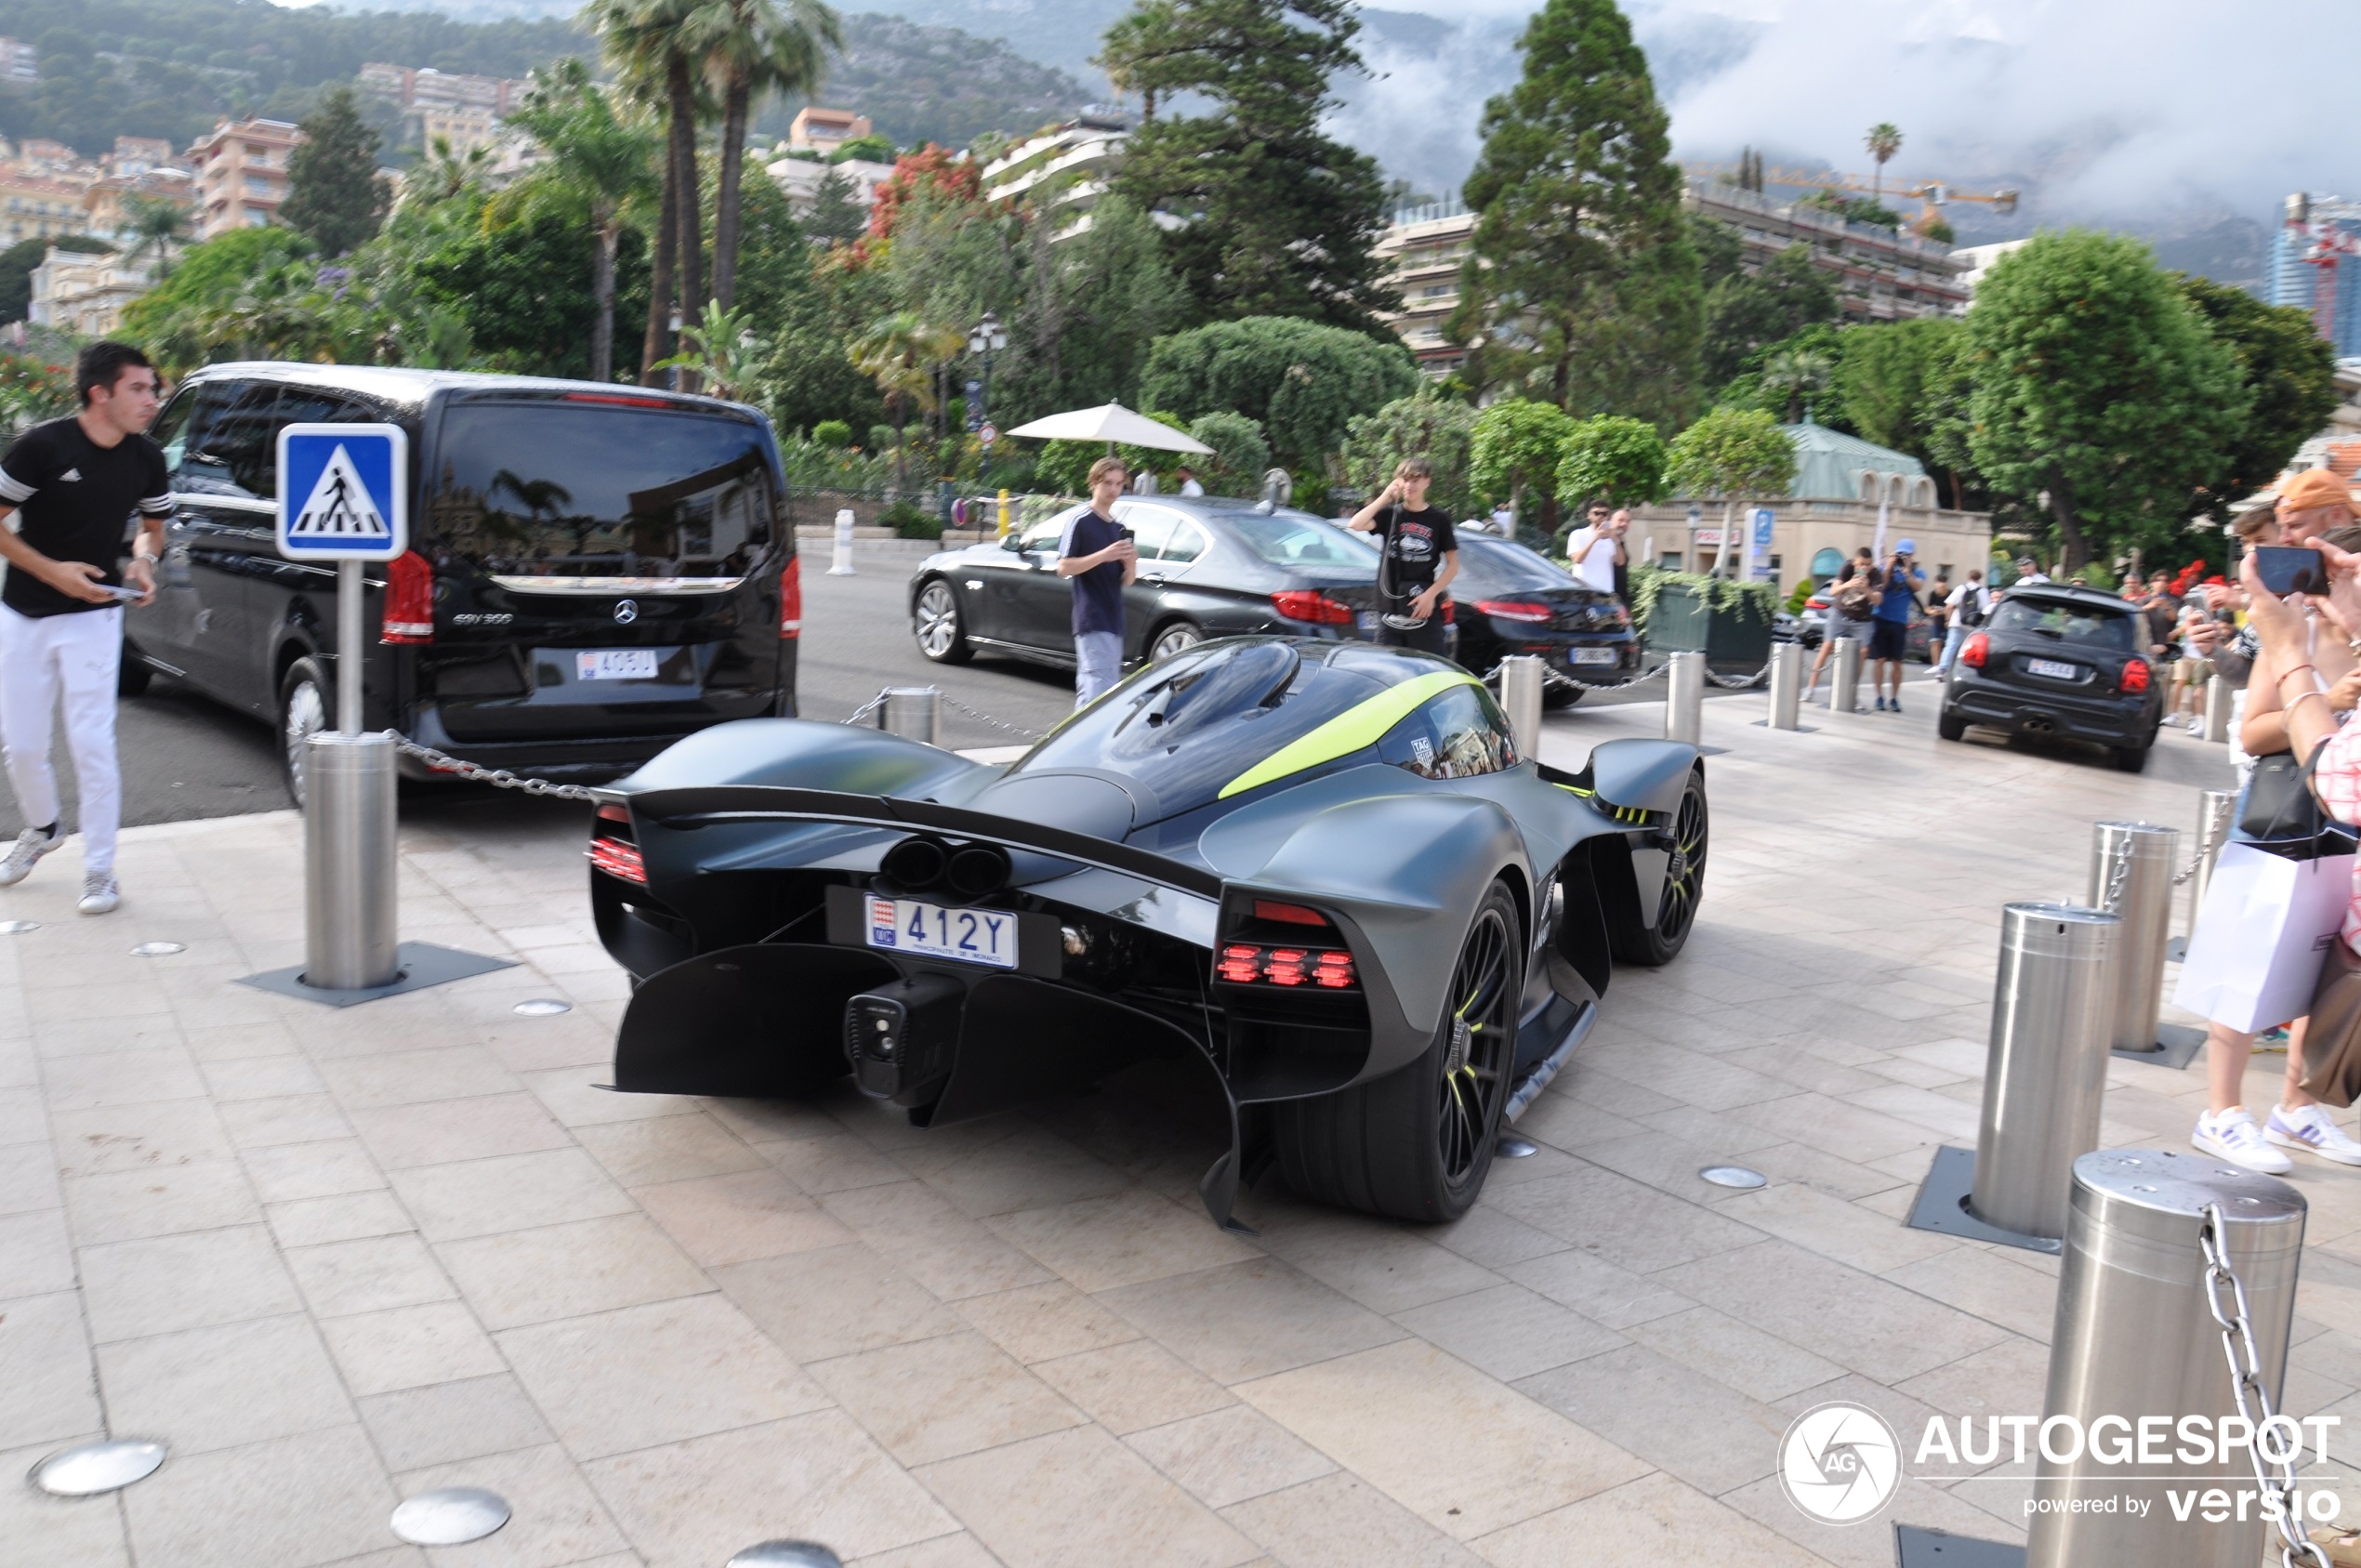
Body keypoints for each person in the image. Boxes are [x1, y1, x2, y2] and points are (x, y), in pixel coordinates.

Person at [2186, 468, 2361, 1170]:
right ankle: (2222, 1111)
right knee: (2249, 964)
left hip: (2340, 832)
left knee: (2321, 969)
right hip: (2283, 819)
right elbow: (2254, 731)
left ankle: (2297, 1107)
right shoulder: (2291, 625)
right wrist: (2324, 699)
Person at [0, 342, 170, 916]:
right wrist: (53, 572)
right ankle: (44, 829)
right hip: (23, 613)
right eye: (140, 389)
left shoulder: (147, 457)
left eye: (153, 388)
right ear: (100, 393)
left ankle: (100, 869)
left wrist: (144, 562)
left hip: (96, 617)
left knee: (91, 743)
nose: (153, 399)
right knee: (22, 747)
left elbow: (152, 527)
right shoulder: (42, 446)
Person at [1348, 458, 1457, 655]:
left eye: (1415, 480)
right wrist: (1385, 497)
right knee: (1385, 671)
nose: (1409, 485)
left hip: (1422, 610)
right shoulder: (1390, 514)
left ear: (1427, 482)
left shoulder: (1439, 519)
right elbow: (1355, 524)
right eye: (1405, 479)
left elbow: (1453, 566)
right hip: (1389, 610)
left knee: (1432, 669)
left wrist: (1431, 595)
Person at [1055, 456, 1138, 707]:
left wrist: (1131, 563)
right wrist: (1104, 555)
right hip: (1092, 616)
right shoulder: (1080, 520)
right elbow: (1063, 567)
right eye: (1107, 483)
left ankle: (1079, 742)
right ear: (1093, 483)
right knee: (1097, 689)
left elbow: (1127, 582)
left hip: (1114, 619)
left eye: (1119, 484)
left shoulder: (1119, 528)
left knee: (1104, 687)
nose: (1113, 489)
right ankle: (1085, 744)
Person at [1806, 547, 1879, 705]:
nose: (1863, 568)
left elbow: (1879, 600)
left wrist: (1866, 588)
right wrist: (1849, 584)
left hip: (1862, 620)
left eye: (1867, 564)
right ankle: (1810, 689)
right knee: (1826, 647)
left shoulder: (1875, 574)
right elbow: (1833, 591)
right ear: (1854, 562)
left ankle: (1852, 691)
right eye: (1860, 564)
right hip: (1840, 614)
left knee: (1863, 651)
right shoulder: (1847, 568)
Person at [1867, 540, 1925, 711]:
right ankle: (1879, 696)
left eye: (1906, 554)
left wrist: (1907, 572)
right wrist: (1889, 567)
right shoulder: (1885, 569)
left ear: (1912, 555)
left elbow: (1918, 586)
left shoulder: (1917, 572)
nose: (1902, 557)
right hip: (1881, 618)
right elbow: (1881, 586)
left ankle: (1894, 697)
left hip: (1899, 622)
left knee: (1897, 662)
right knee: (1880, 659)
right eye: (1900, 553)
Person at [1933, 569, 1988, 676]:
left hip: (1957, 621)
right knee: (1968, 648)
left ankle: (1942, 669)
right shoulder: (1983, 591)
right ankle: (1962, 671)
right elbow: (1986, 609)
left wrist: (1947, 620)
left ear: (1968, 577)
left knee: (1951, 645)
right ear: (1980, 579)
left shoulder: (1961, 588)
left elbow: (1949, 606)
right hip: (1973, 625)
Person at [1563, 502, 1621, 598]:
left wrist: (1616, 541)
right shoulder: (1578, 534)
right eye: (1596, 513)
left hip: (1605, 591)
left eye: (1604, 513)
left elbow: (1620, 562)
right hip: (1583, 591)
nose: (1600, 516)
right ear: (1589, 515)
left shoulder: (1611, 537)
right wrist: (1595, 538)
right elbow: (1577, 559)